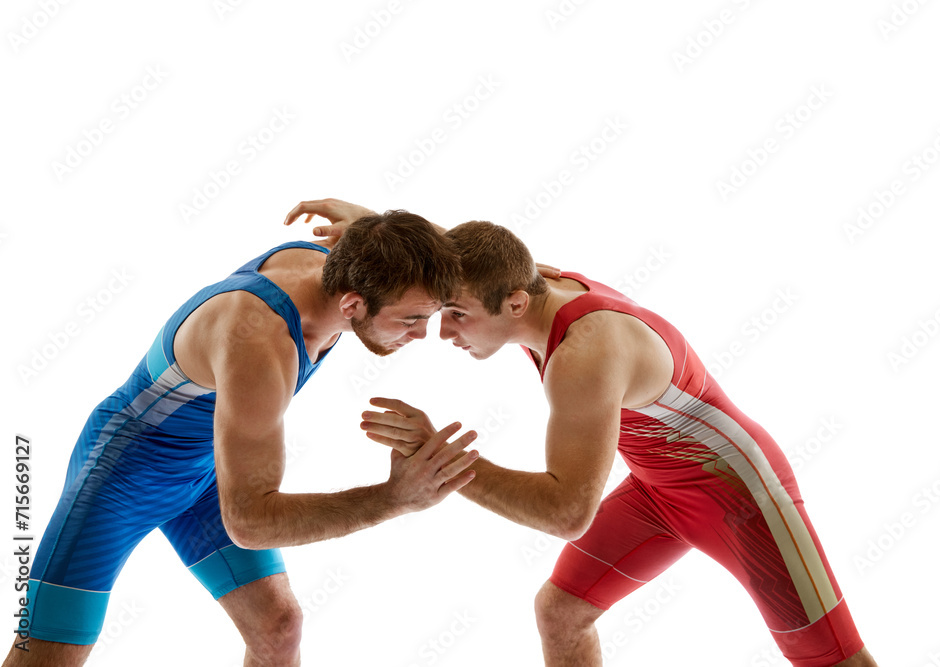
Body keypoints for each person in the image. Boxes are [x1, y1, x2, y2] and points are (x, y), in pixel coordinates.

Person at [321, 214, 880, 666]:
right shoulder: (530, 280)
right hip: (657, 490)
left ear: (514, 303)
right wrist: (373, 232)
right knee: (561, 612)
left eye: (457, 315)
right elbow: (475, 253)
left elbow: (567, 512)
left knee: (832, 660)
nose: (443, 332)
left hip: (738, 494)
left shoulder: (585, 354)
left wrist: (438, 458)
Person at [4, 199, 480, 667]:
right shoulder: (259, 342)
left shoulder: (350, 263)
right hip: (121, 476)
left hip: (211, 469)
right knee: (50, 652)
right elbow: (249, 523)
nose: (422, 334)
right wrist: (395, 499)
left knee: (278, 629)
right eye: (412, 320)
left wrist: (372, 223)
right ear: (352, 304)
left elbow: (468, 261)